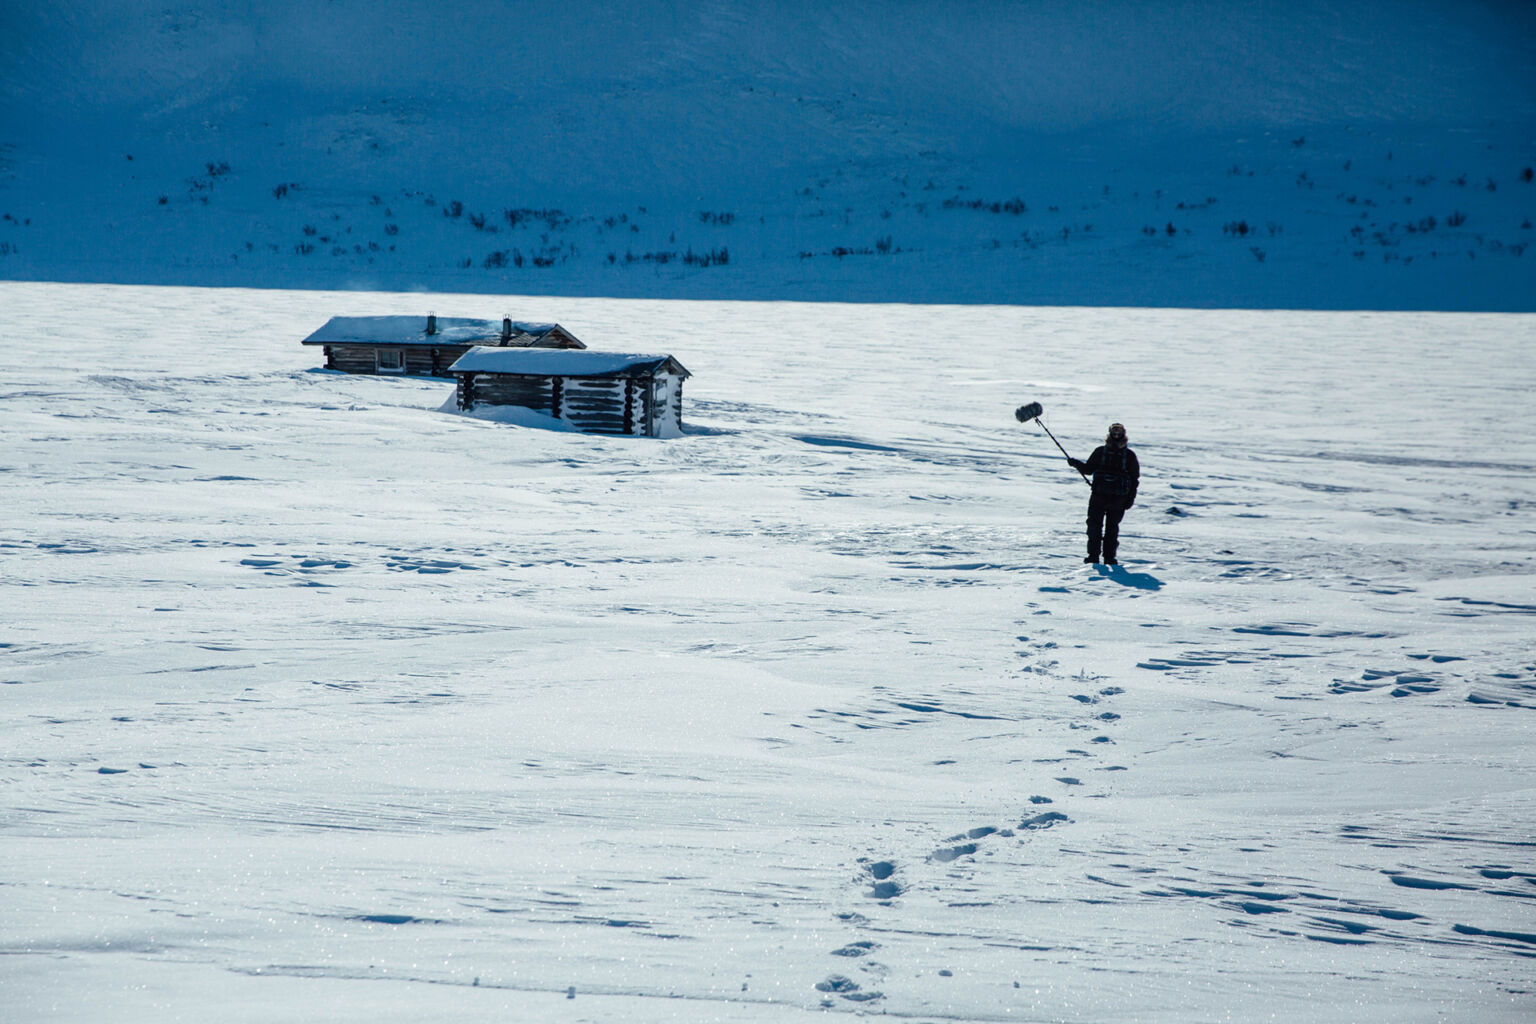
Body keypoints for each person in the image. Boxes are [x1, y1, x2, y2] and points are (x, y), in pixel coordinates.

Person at [1067, 422, 1139, 565]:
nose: (1116, 435)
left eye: (1119, 432)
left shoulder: (1114, 453)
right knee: (1099, 528)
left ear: (1123, 434)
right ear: (1110, 434)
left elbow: (1134, 479)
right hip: (1108, 498)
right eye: (1114, 432)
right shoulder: (1121, 454)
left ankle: (1105, 558)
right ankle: (1099, 557)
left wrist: (1130, 499)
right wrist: (1075, 463)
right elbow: (1088, 469)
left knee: (1104, 528)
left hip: (1109, 498)